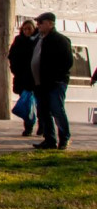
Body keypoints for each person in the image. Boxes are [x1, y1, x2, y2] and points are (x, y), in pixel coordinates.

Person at [31, 12, 74, 150]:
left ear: (50, 23)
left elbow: (67, 62)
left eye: (41, 23)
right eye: (38, 23)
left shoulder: (60, 40)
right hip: (40, 83)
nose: (38, 25)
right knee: (44, 112)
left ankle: (64, 138)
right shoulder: (40, 39)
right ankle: (49, 139)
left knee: (57, 110)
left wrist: (55, 77)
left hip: (55, 83)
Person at [7, 19, 39, 137]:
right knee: (26, 104)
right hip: (23, 78)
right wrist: (16, 70)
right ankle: (28, 127)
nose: (26, 31)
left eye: (29, 29)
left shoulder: (38, 40)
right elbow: (12, 56)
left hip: (36, 78)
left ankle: (42, 125)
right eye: (24, 29)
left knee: (40, 104)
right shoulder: (19, 41)